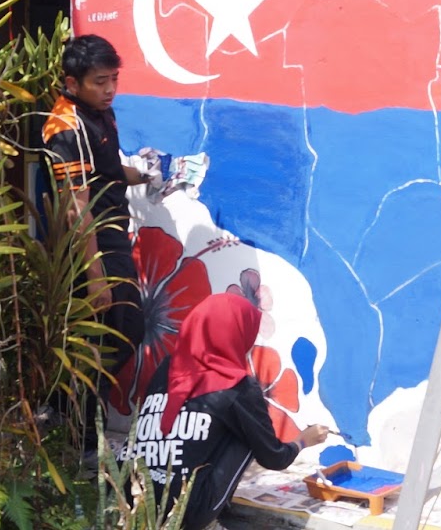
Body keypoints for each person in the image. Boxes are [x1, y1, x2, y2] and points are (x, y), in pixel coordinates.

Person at [42, 34, 156, 466]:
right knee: (106, 336)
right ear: (72, 82)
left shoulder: (99, 115)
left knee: (123, 331)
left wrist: (151, 175)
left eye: (114, 80)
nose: (110, 89)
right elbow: (75, 206)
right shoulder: (65, 127)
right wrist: (95, 275)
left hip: (112, 233)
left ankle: (62, 411)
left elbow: (109, 173)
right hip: (91, 242)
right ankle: (81, 440)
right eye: (100, 82)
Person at [135, 293, 330, 528]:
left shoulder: (166, 368)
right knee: (248, 432)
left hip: (133, 498)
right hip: (188, 512)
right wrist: (302, 441)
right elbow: (274, 457)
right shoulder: (237, 386)